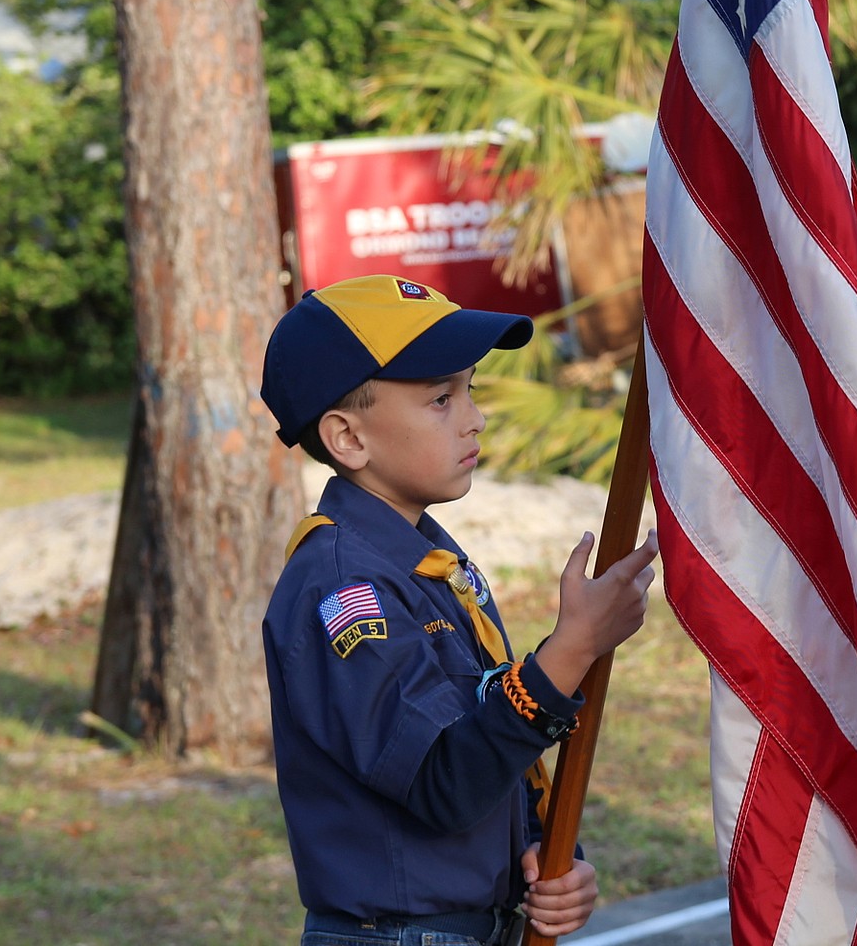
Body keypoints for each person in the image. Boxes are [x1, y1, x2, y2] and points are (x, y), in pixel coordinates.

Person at [257, 274, 660, 946]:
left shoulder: (429, 561)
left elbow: (488, 735)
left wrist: (548, 856)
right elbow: (445, 779)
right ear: (348, 439)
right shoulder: (345, 592)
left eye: (469, 389)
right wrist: (570, 651)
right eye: (441, 399)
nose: (474, 416)